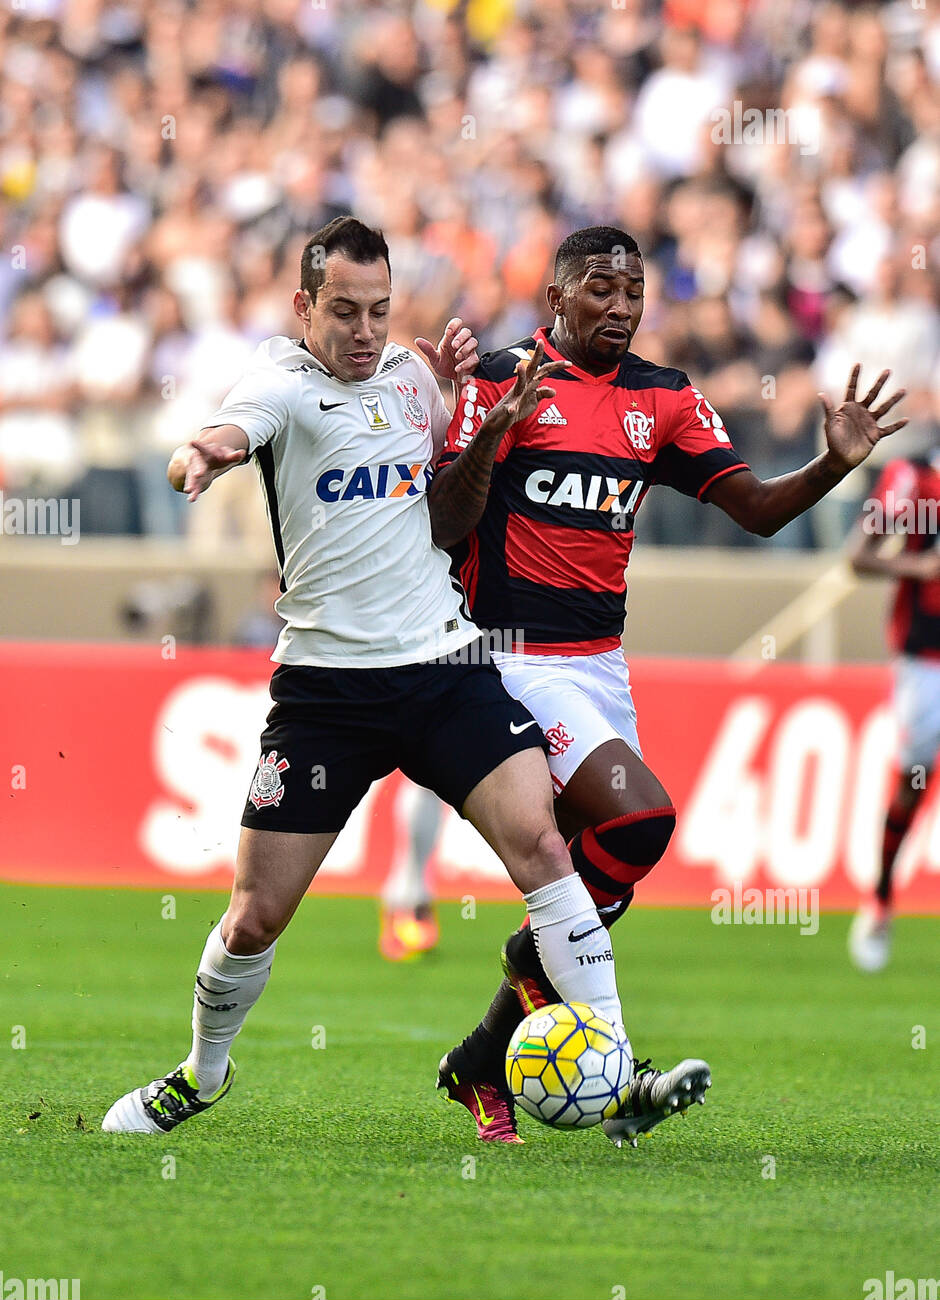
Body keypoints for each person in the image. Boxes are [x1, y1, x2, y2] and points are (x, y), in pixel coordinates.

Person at [101, 217, 672, 1141]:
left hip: (445, 665)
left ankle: (612, 1053)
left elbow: (448, 519)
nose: (365, 332)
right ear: (303, 307)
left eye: (379, 311)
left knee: (545, 849)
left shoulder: (412, 377)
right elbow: (225, 433)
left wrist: (478, 425)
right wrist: (201, 456)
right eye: (343, 312)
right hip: (329, 691)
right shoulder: (279, 384)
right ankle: (200, 1074)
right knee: (254, 917)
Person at [428, 225, 907, 1145]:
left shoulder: (665, 398)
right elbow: (446, 525)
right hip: (508, 657)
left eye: (634, 290)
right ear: (556, 296)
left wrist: (835, 464)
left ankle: (488, 1059)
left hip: (600, 668)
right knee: (639, 821)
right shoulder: (500, 377)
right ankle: (594, 1047)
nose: (621, 306)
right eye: (600, 288)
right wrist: (491, 430)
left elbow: (758, 510)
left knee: (592, 882)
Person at [846, 448, 940, 971]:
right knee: (913, 782)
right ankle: (881, 897)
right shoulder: (918, 475)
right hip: (927, 659)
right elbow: (859, 555)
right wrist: (919, 565)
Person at [377, 782, 444, 962]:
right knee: (411, 864)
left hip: (430, 800)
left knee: (417, 864)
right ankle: (397, 932)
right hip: (421, 800)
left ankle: (409, 928)